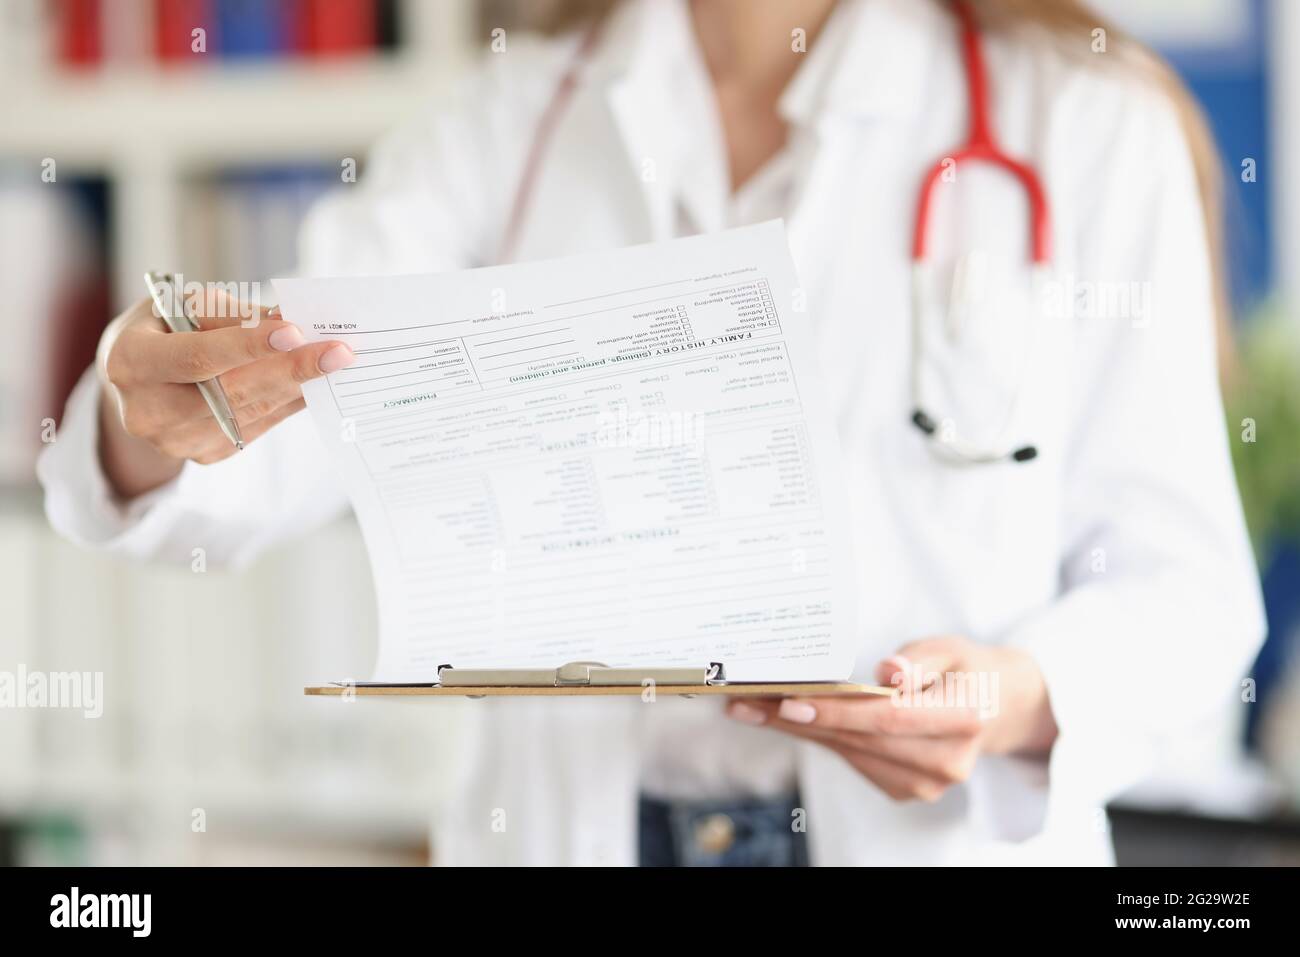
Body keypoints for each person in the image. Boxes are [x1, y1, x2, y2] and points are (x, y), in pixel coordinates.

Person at [39, 0, 1265, 866]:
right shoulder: (501, 126)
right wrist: (150, 413)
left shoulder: (1089, 120)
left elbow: (1183, 591)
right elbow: (290, 428)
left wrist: (1014, 701)